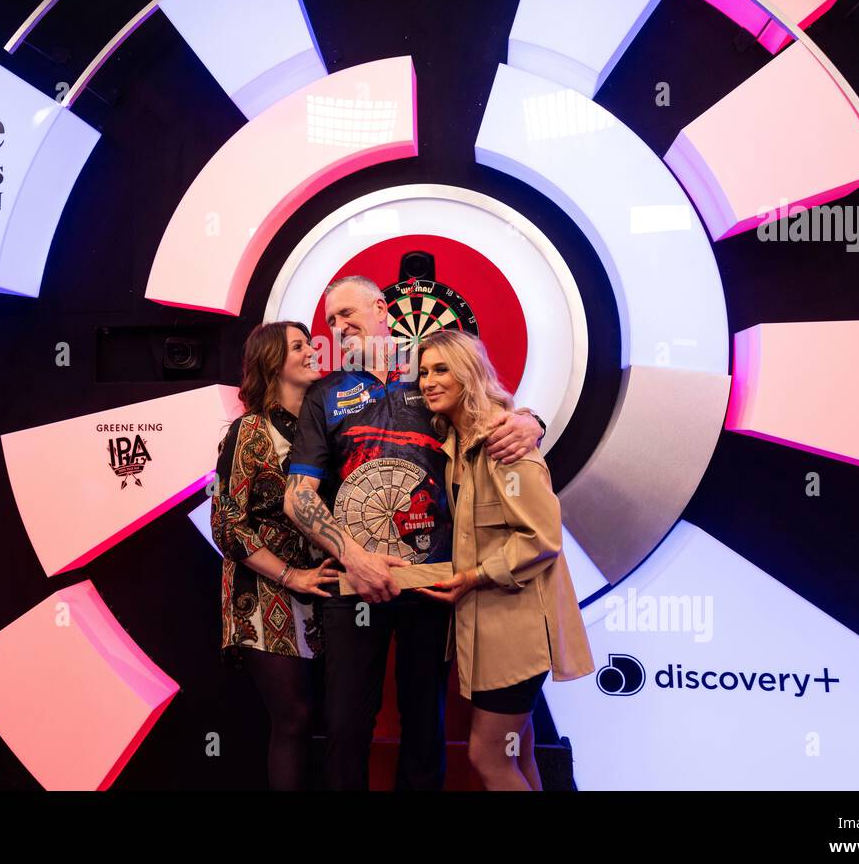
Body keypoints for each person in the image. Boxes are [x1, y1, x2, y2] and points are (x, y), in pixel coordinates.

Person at [282, 275, 547, 790]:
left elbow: (494, 408)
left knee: (425, 725)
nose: (337, 327)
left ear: (382, 308)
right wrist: (355, 558)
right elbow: (298, 495)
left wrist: (532, 420)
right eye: (330, 321)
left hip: (435, 580)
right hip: (353, 584)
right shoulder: (326, 394)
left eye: (347, 313)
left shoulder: (432, 373)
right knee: (344, 728)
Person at [413, 329, 595, 791]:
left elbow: (541, 537)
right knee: (519, 752)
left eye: (440, 369)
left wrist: (473, 577)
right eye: (423, 372)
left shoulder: (503, 443)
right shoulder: (461, 443)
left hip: (516, 635)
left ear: (468, 373)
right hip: (492, 631)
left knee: (488, 756)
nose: (428, 381)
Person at [211, 320, 339, 790]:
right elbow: (227, 526)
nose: (312, 351)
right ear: (272, 363)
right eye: (300, 346)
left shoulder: (324, 426)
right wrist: (292, 577)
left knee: (322, 718)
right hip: (264, 591)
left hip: (321, 591)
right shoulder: (249, 432)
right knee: (294, 718)